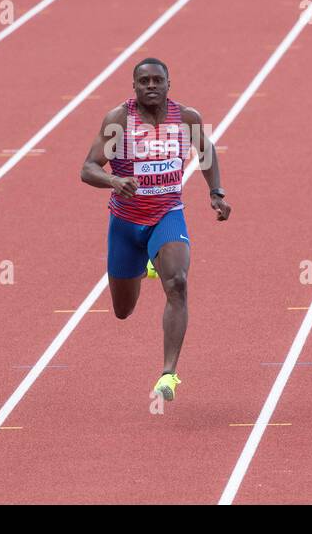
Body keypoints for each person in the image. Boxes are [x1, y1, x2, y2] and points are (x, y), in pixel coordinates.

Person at [80, 58, 231, 402]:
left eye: (156, 80)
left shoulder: (187, 119)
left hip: (167, 214)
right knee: (123, 310)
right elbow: (88, 168)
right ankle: (147, 263)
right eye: (143, 81)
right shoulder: (119, 120)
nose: (150, 85)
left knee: (177, 283)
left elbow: (206, 153)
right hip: (126, 224)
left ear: (168, 84)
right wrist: (114, 180)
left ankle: (168, 374)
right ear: (134, 86)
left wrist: (216, 193)